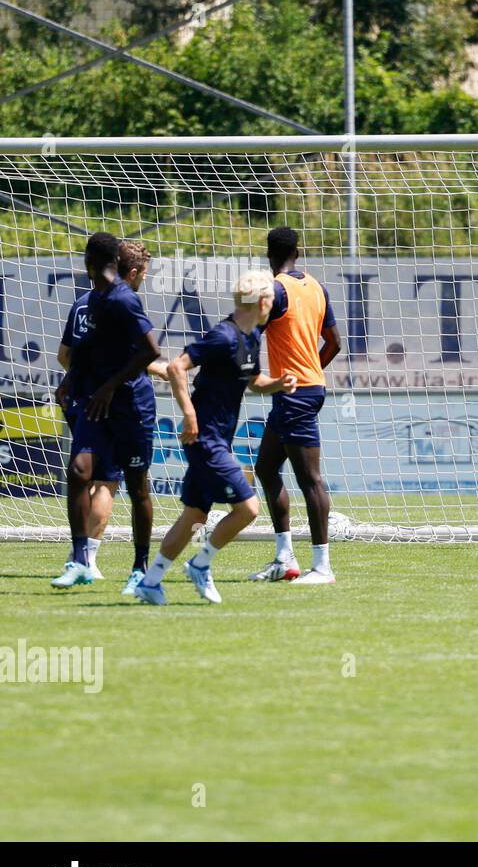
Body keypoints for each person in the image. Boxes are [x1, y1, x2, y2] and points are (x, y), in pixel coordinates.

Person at [135, 271, 297, 605]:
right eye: (273, 299)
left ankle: (150, 582)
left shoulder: (251, 337)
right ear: (264, 302)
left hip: (216, 439)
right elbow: (178, 368)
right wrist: (189, 414)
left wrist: (279, 382)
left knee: (194, 516)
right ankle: (201, 562)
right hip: (205, 438)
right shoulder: (222, 335)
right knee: (249, 508)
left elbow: (254, 382)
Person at [52, 233, 160, 589]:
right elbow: (86, 348)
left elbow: (150, 351)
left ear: (89, 264)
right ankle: (80, 560)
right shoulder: (94, 300)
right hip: (96, 401)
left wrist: (110, 387)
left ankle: (140, 569)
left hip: (129, 403)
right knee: (79, 471)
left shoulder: (125, 300)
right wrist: (71, 379)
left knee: (136, 486)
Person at [250, 226, 342, 584]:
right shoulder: (317, 287)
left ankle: (322, 567)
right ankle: (285, 559)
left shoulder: (274, 290)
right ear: (298, 253)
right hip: (307, 387)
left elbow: (251, 334)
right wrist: (311, 370)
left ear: (269, 255)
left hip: (294, 392)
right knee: (266, 468)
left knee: (310, 480)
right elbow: (334, 342)